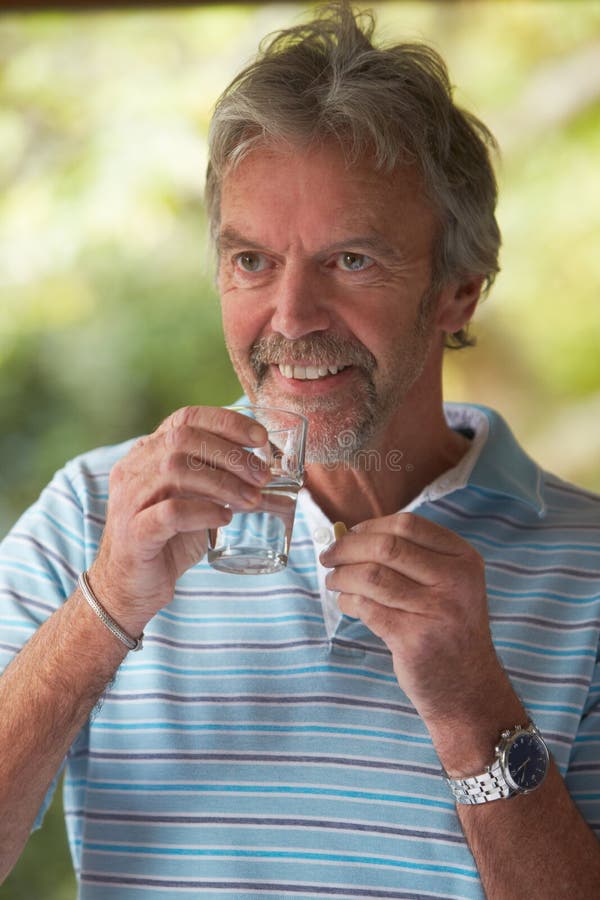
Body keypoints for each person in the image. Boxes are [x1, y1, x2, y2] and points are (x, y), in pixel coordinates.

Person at [1, 3, 599, 897]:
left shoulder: (589, 567)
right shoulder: (93, 515)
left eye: (351, 261)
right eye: (251, 262)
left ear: (460, 292)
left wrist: (474, 707)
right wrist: (106, 606)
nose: (290, 318)